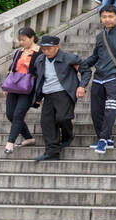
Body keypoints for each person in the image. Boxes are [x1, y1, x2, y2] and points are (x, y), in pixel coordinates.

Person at [78, 5, 116, 155]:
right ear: (101, 18)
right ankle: (104, 138)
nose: (107, 19)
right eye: (104, 16)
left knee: (111, 109)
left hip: (114, 79)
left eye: (110, 16)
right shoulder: (100, 36)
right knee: (95, 111)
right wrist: (81, 64)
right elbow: (95, 56)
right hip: (98, 78)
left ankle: (103, 139)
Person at [30, 35, 81, 163]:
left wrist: (82, 86)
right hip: (48, 94)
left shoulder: (69, 58)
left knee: (63, 118)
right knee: (46, 122)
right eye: (43, 49)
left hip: (64, 93)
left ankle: (68, 136)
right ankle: (52, 152)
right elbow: (39, 78)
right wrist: (38, 96)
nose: (46, 51)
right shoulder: (40, 60)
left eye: (49, 48)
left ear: (57, 47)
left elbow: (85, 69)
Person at [2, 27, 39, 155]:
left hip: (28, 88)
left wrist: (39, 95)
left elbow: (41, 73)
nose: (21, 42)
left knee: (18, 114)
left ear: (32, 38)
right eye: (20, 40)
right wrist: (6, 86)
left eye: (24, 39)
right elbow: (11, 68)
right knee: (10, 114)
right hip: (14, 86)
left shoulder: (39, 52)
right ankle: (28, 137)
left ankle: (10, 143)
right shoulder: (19, 52)